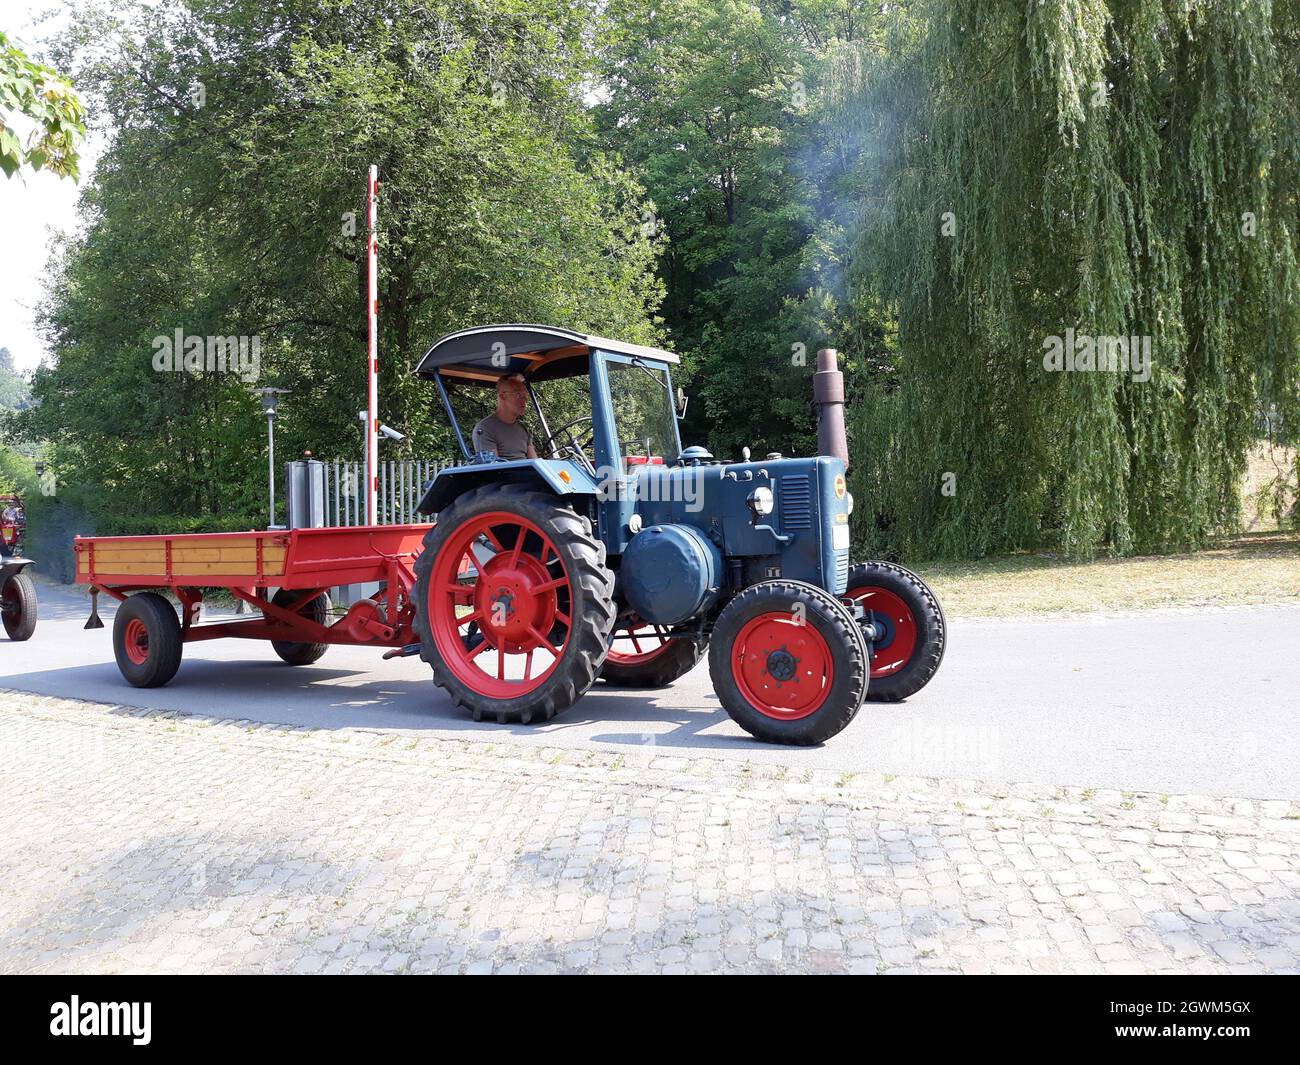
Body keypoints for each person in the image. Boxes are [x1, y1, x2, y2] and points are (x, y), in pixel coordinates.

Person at [472, 373, 537, 461]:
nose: (524, 399)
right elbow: (493, 469)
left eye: (525, 394)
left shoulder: (523, 429)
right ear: (503, 396)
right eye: (518, 394)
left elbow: (535, 461)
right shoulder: (484, 429)